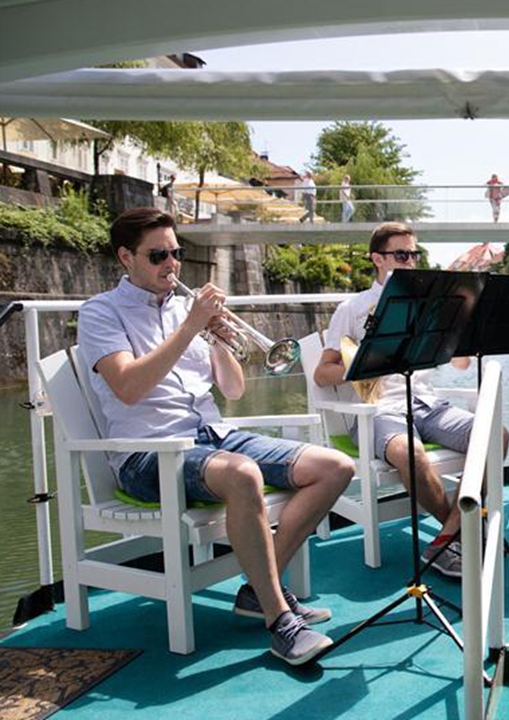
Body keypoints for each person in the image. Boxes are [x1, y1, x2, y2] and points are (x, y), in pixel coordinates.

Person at [76, 208, 355, 666]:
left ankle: (255, 589)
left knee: (334, 467)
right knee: (243, 473)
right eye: (158, 255)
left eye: (177, 253)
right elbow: (127, 388)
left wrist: (219, 339)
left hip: (213, 437)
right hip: (149, 454)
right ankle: (280, 621)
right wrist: (191, 328)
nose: (171, 264)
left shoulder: (186, 309)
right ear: (125, 257)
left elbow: (233, 390)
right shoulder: (100, 313)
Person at [314, 222, 509, 578]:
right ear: (377, 259)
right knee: (409, 452)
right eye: (401, 254)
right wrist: (362, 365)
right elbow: (321, 373)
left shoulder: (431, 304)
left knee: (497, 434)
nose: (410, 261)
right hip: (379, 411)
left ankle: (447, 537)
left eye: (414, 254)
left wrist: (463, 316)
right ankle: (458, 532)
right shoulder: (352, 307)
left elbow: (462, 363)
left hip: (428, 404)